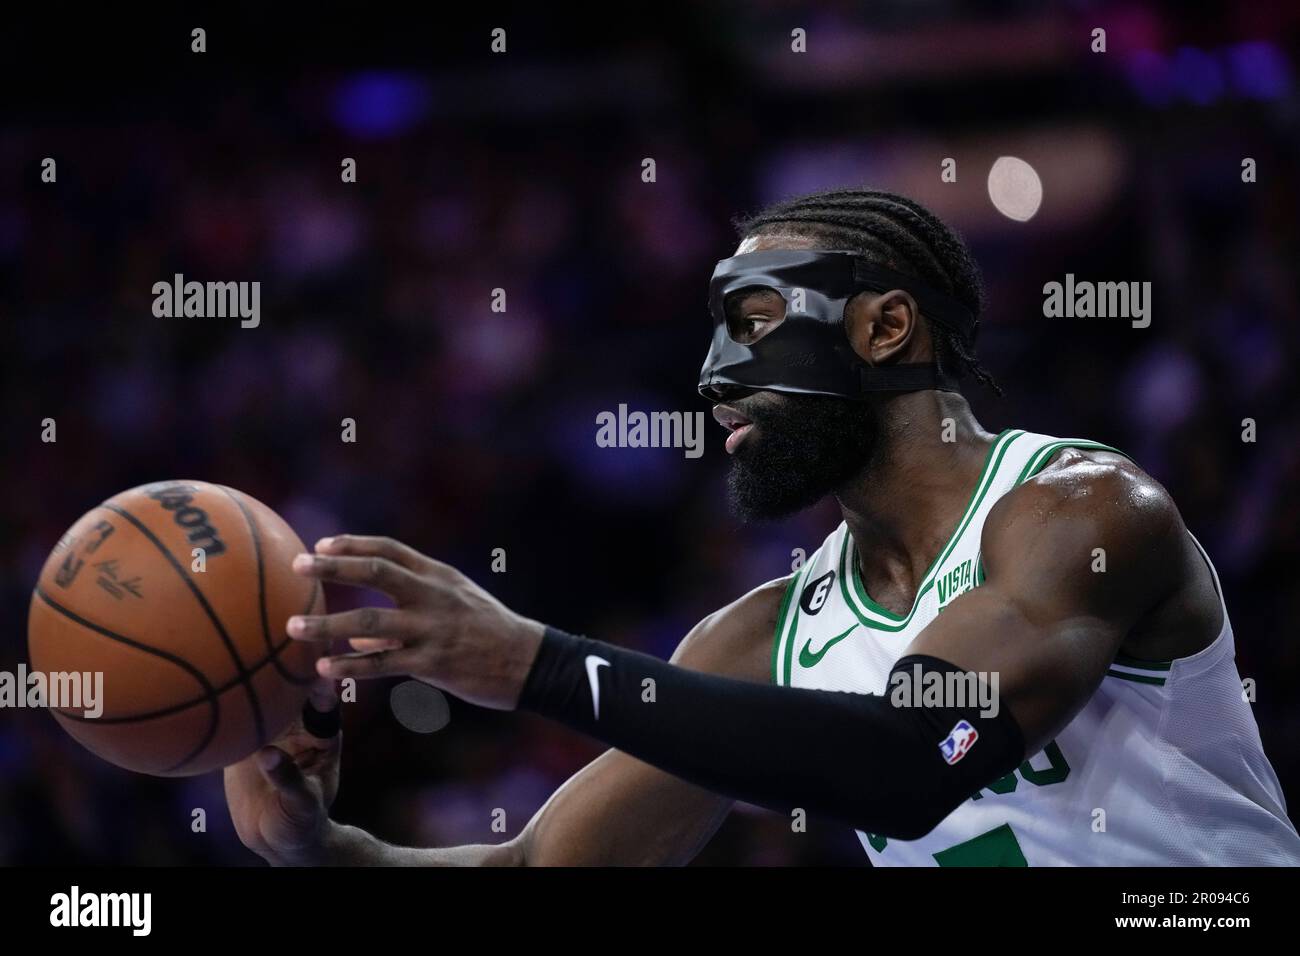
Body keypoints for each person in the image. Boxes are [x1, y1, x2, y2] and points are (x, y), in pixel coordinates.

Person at [225, 188, 1300, 865]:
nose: (711, 377)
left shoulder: (1083, 511)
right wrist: (326, 846)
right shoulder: (761, 637)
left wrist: (533, 663)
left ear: (885, 327)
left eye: (752, 322)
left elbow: (913, 761)